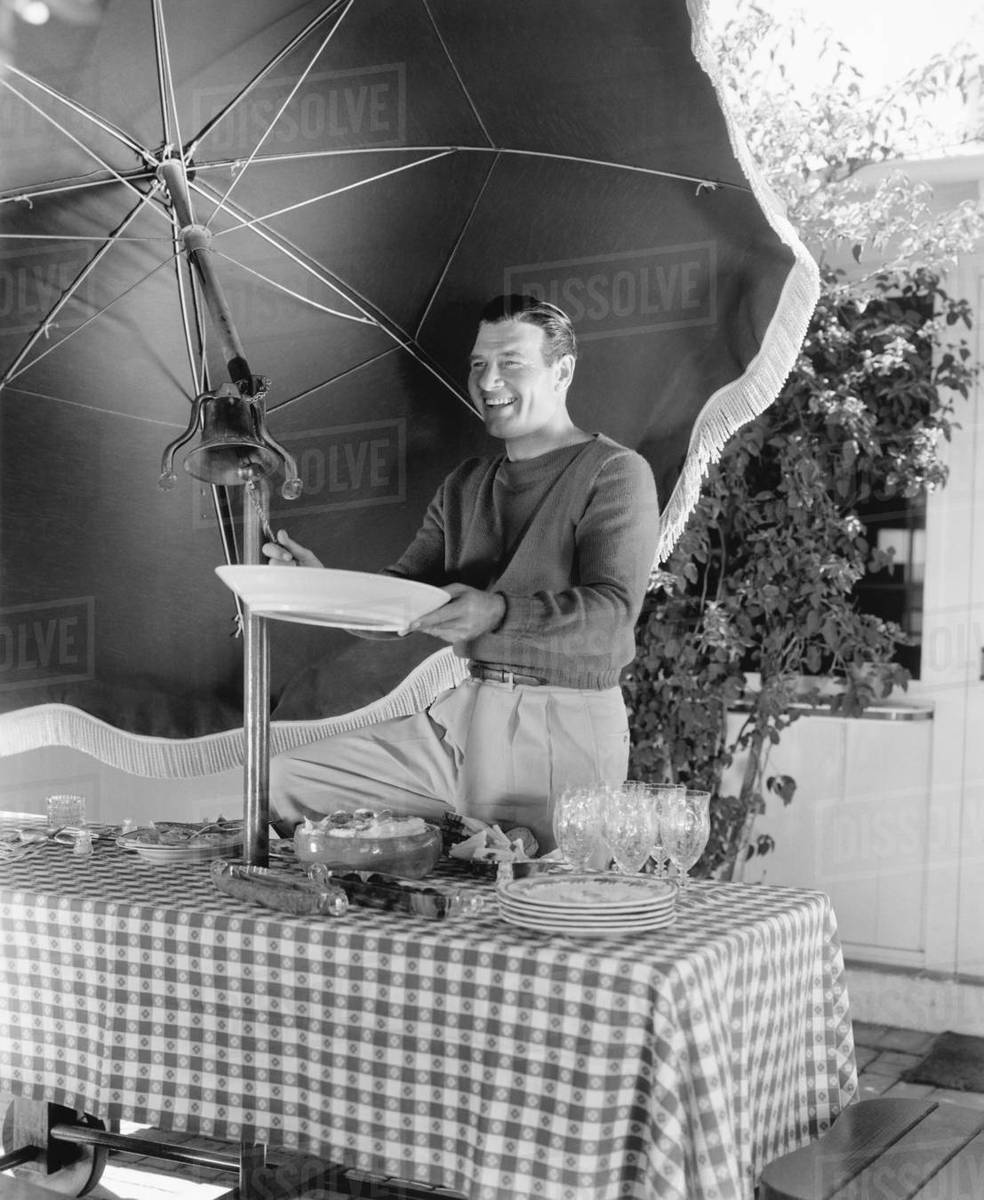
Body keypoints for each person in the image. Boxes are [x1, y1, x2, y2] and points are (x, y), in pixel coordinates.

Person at [262, 294, 661, 850]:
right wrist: (320, 587)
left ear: (562, 370)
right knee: (289, 779)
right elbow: (404, 598)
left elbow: (612, 617)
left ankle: (484, 860)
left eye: (511, 362)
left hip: (561, 723)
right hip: (462, 719)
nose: (488, 380)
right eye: (478, 364)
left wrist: (494, 611)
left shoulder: (615, 472)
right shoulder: (466, 483)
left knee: (534, 895)